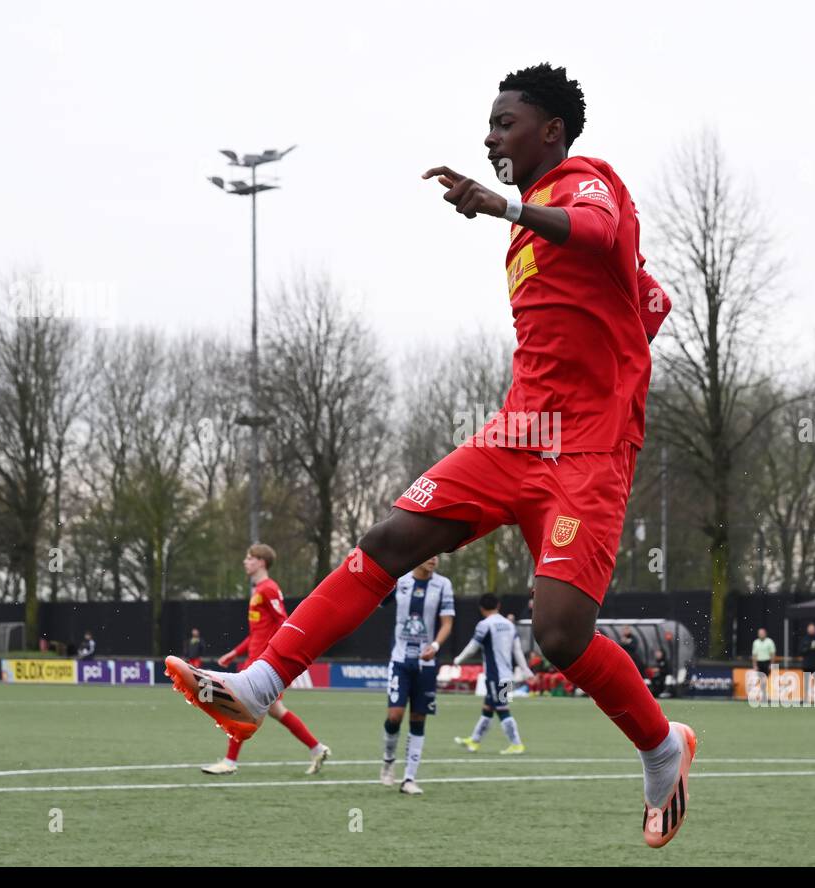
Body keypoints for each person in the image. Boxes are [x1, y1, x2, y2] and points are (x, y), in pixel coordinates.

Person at [164, 62, 696, 848]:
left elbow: (601, 234)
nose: (489, 137)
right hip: (519, 436)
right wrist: (627, 320)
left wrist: (504, 207)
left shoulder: (587, 181)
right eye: (487, 125)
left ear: (550, 130)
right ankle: (258, 682)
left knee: (559, 634)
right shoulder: (526, 222)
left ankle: (662, 748)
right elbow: (646, 297)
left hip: (586, 449)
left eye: (504, 122)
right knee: (389, 540)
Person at [201, 545, 330, 776]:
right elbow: (256, 632)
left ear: (261, 562)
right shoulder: (259, 590)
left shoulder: (269, 589)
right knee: (275, 711)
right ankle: (317, 748)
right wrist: (234, 652)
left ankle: (230, 762)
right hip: (256, 660)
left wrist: (280, 654)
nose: (245, 561)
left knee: (241, 707)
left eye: (249, 558)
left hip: (263, 663)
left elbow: (284, 621)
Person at [377, 555, 454, 794]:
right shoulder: (401, 581)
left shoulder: (443, 585)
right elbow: (378, 600)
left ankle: (409, 778)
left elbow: (447, 622)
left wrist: (436, 646)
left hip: (426, 665)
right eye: (429, 555)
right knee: (395, 715)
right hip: (400, 660)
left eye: (437, 555)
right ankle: (388, 760)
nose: (434, 559)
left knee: (419, 718)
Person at [453, 592, 530, 754]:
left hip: (495, 676)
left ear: (481, 608)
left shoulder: (485, 625)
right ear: (498, 606)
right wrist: (526, 670)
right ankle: (474, 741)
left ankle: (516, 744)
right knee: (488, 708)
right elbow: (517, 651)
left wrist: (458, 660)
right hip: (507, 675)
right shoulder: (509, 625)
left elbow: (472, 647)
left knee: (502, 709)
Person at [750, 627, 776, 703]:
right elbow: (754, 655)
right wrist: (755, 665)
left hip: (766, 662)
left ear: (765, 634)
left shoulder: (769, 642)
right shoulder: (755, 642)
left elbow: (772, 654)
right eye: (760, 633)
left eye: (762, 633)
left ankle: (764, 696)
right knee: (762, 680)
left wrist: (771, 664)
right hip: (759, 662)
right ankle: (763, 696)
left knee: (764, 680)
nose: (761, 634)